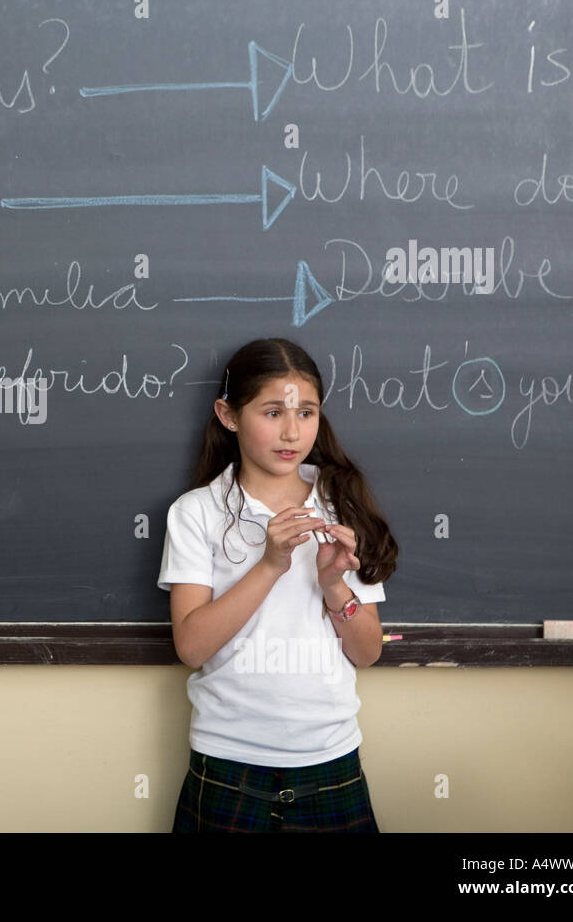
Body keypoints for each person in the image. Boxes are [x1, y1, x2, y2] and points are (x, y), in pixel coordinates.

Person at [159, 337, 399, 832]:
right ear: (228, 415)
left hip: (330, 756)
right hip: (228, 762)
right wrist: (270, 564)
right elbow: (191, 644)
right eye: (272, 413)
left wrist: (335, 587)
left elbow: (369, 652)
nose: (292, 431)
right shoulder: (196, 512)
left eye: (306, 413)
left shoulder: (342, 505)